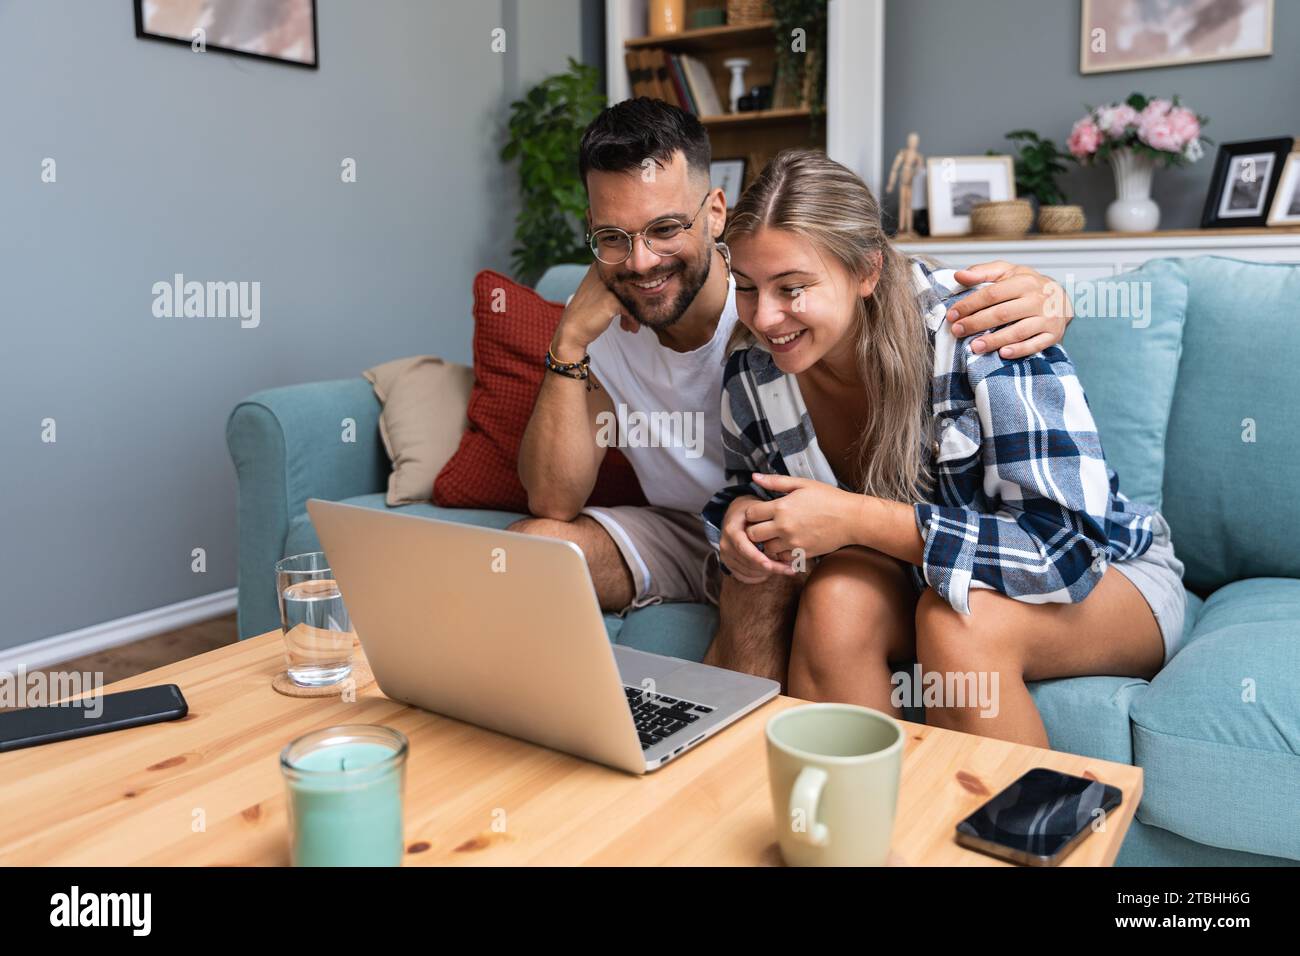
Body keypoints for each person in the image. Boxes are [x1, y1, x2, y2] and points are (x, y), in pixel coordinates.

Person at [513, 98, 1075, 668]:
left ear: (714, 214)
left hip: (807, 531)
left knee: (776, 552)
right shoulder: (622, 319)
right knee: (533, 553)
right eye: (613, 236)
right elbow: (553, 501)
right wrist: (567, 345)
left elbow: (885, 281)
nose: (640, 262)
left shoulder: (770, 304)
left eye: (665, 228)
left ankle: (716, 735)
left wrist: (1050, 296)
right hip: (695, 528)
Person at [703, 148, 1186, 748]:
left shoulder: (982, 327)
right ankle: (866, 833)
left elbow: (1063, 547)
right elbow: (749, 493)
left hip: (1104, 569)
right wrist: (743, 523)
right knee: (834, 603)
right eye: (746, 288)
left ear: (868, 272)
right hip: (917, 576)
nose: (766, 316)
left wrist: (856, 516)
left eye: (792, 288)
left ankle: (1019, 834)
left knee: (957, 620)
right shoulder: (753, 370)